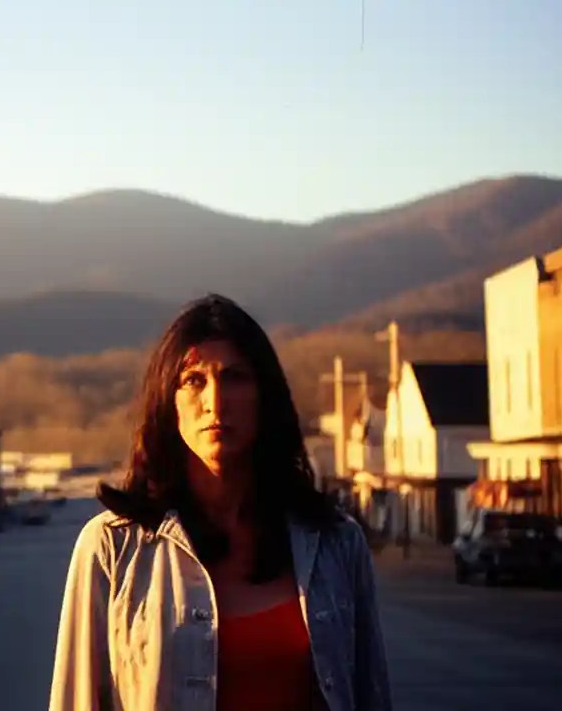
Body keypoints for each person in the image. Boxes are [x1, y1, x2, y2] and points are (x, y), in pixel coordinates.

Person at [49, 294, 391, 711]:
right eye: (194, 380)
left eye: (235, 377)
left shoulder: (335, 543)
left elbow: (372, 696)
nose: (216, 401)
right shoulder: (112, 549)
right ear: (167, 402)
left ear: (265, 396)